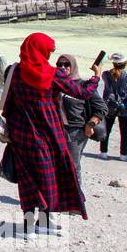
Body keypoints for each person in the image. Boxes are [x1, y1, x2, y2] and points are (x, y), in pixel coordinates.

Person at [0, 32, 96, 235]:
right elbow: (82, 93)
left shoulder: (15, 72)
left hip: (22, 134)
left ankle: (29, 226)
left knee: (28, 181)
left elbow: (8, 104)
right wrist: (96, 76)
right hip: (49, 133)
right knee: (48, 177)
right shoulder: (53, 74)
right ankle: (43, 222)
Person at [55, 54, 107, 190]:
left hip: (76, 132)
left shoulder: (83, 85)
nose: (63, 67)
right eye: (59, 64)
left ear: (73, 66)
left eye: (66, 64)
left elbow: (101, 108)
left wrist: (91, 123)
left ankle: (75, 198)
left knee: (72, 165)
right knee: (56, 164)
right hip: (56, 129)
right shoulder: (56, 84)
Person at [99, 53, 127, 161]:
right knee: (125, 131)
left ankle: (103, 152)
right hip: (124, 105)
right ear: (125, 64)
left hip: (110, 104)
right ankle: (123, 154)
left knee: (107, 129)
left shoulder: (106, 74)